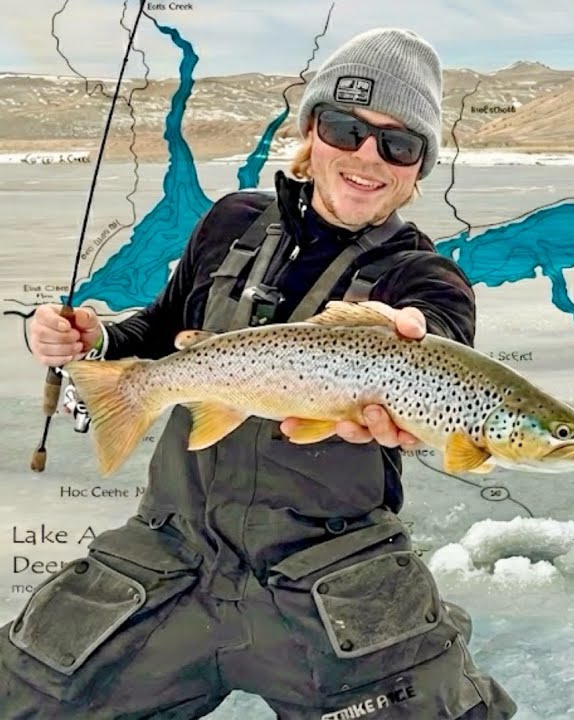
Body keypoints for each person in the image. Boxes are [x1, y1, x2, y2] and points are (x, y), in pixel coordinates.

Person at [0, 28, 518, 719]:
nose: (368, 156)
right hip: (175, 551)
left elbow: (441, 347)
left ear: (418, 167)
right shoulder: (231, 222)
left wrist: (411, 369)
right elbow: (158, 332)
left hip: (334, 573)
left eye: (398, 144)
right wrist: (95, 340)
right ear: (311, 129)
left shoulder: (428, 280)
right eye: (346, 127)